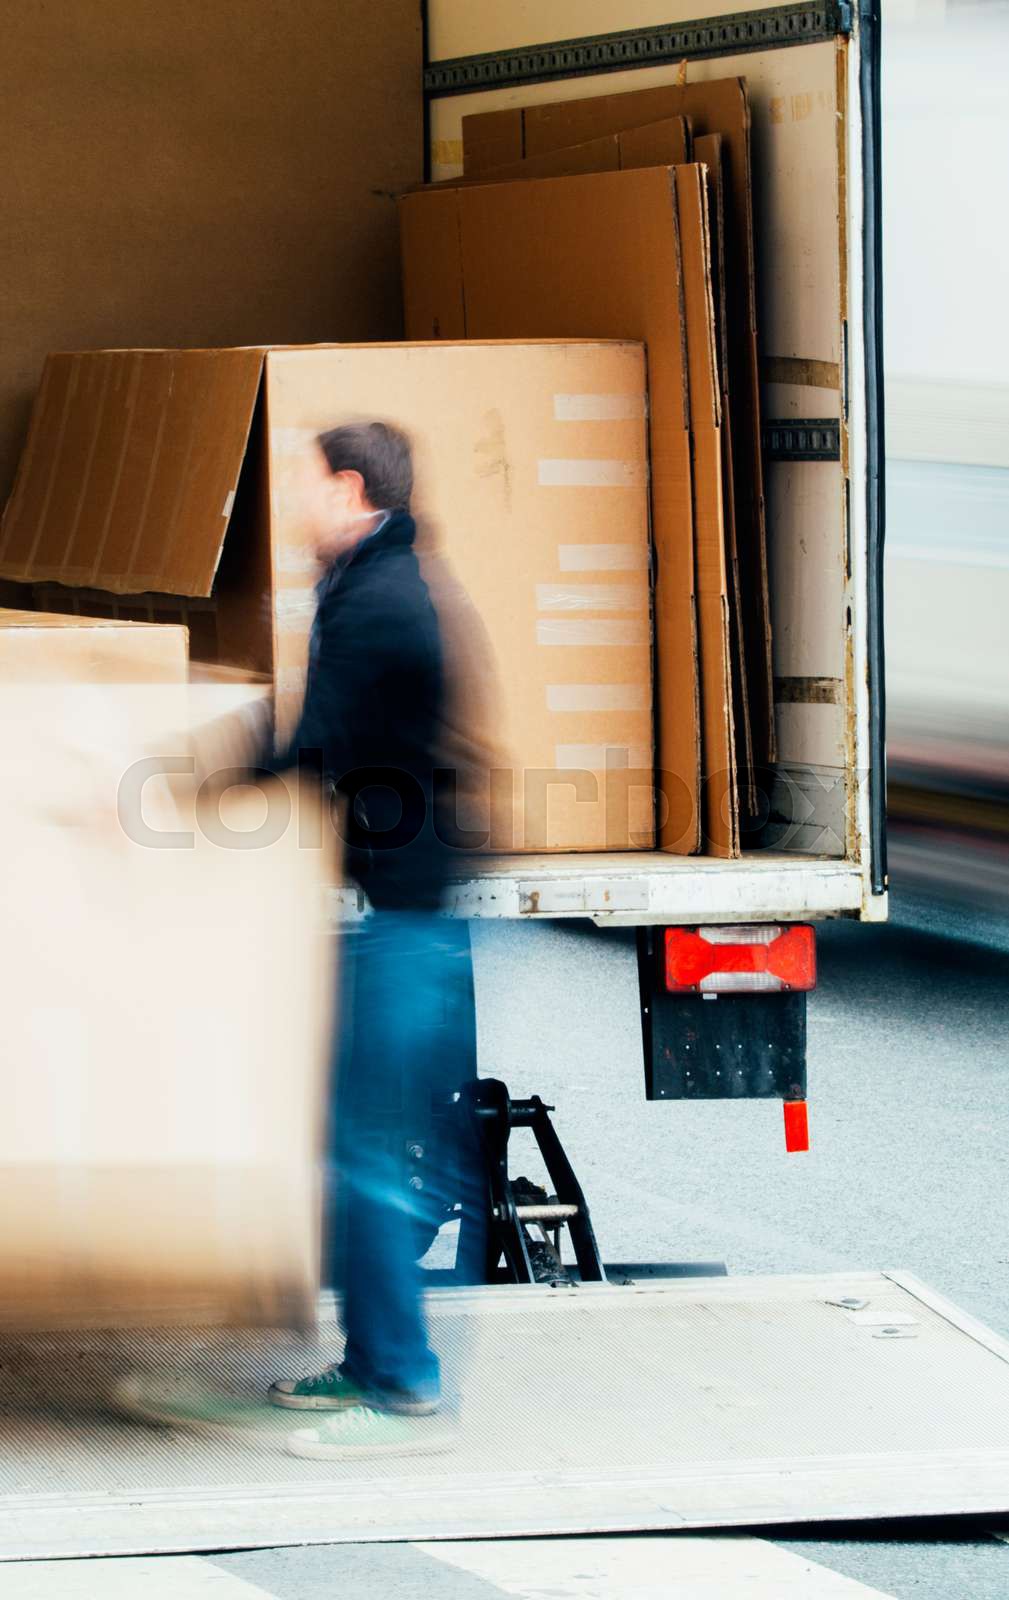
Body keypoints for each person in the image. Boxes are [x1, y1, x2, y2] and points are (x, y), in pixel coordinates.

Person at [261, 422, 488, 1459]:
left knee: (362, 1150)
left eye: (305, 483)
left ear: (349, 487)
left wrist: (175, 786)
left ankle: (396, 1372)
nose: (295, 503)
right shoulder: (378, 580)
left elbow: (317, 744)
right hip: (408, 907)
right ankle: (379, 1356)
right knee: (368, 1147)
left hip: (407, 917)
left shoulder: (381, 599)